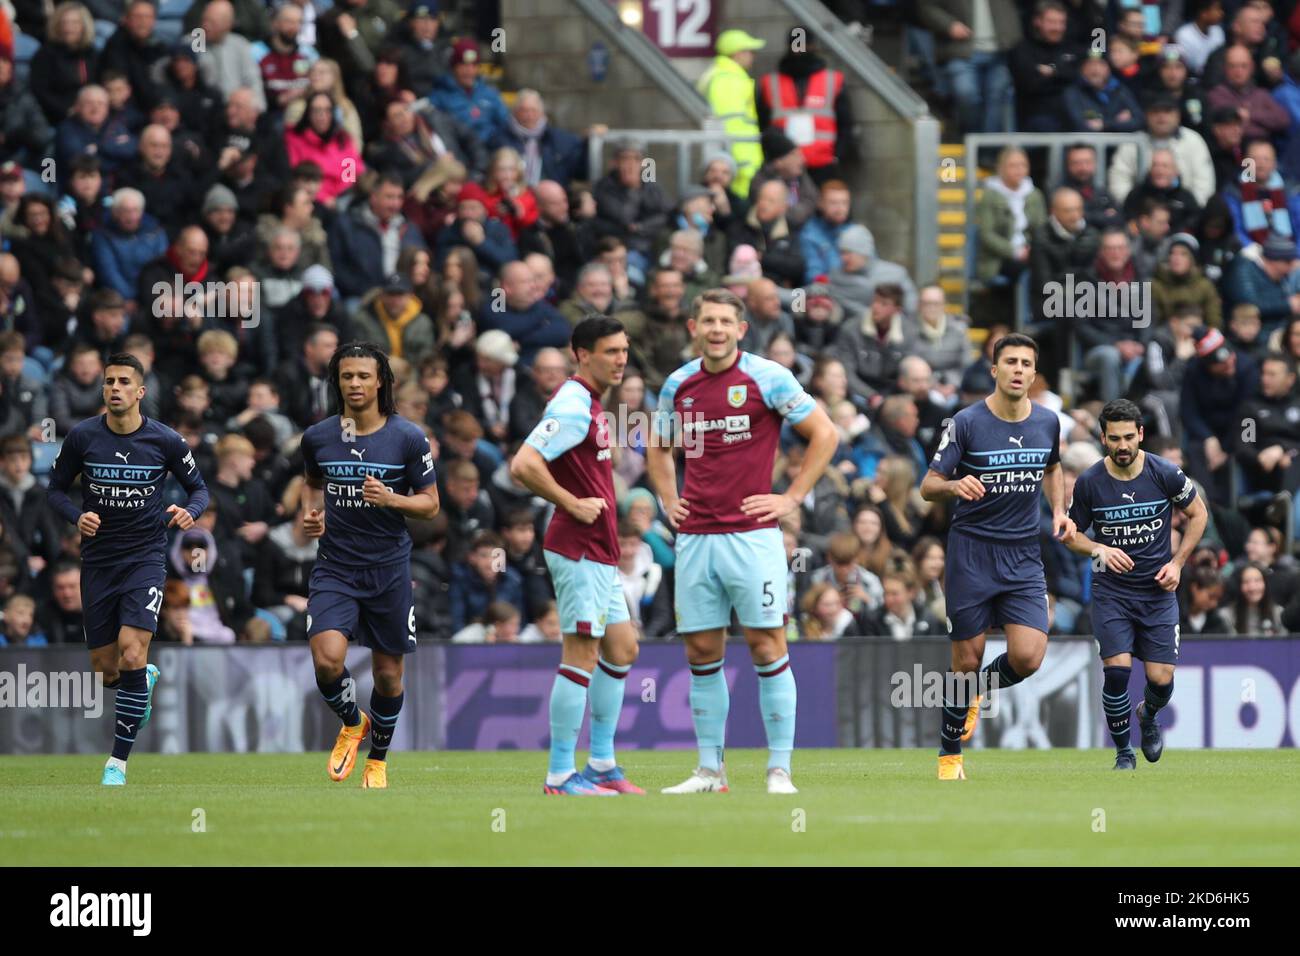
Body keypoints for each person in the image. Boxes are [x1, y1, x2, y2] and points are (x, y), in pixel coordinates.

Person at [647, 288, 838, 795]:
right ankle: (711, 771)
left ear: (740, 329)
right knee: (703, 650)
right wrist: (668, 498)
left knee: (766, 643)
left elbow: (825, 434)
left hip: (753, 537)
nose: (715, 329)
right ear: (694, 328)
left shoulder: (768, 377)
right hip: (696, 537)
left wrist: (792, 497)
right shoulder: (678, 385)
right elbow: (658, 445)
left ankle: (779, 769)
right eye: (707, 320)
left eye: (724, 321)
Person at [45, 352, 210, 785]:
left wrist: (190, 511)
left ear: (139, 392)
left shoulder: (167, 441)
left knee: (133, 651)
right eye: (109, 381)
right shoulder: (82, 438)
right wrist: (75, 516)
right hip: (98, 562)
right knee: (107, 669)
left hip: (145, 559)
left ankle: (117, 763)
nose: (114, 388)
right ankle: (143, 681)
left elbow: (200, 489)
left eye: (123, 382)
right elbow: (56, 491)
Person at [920, 333, 1073, 780]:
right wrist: (953, 486)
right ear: (995, 370)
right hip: (971, 553)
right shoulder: (965, 422)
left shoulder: (1047, 421)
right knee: (966, 659)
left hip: (1023, 555)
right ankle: (949, 756)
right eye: (1011, 362)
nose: (1019, 369)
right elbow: (928, 486)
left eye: (1027, 363)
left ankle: (976, 692)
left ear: (1034, 372)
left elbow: (1053, 465)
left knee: (1028, 657)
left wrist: (1060, 510)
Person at [509, 315, 643, 796]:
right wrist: (569, 502)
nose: (621, 360)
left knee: (623, 647)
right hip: (578, 548)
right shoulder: (572, 405)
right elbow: (523, 464)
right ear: (581, 354)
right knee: (582, 654)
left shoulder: (591, 404)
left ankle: (603, 763)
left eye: (624, 351)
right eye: (611, 351)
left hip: (601, 552)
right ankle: (560, 774)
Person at [300, 342, 440, 790]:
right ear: (336, 382)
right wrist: (312, 512)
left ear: (381, 381)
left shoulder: (408, 437)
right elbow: (311, 480)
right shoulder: (318, 436)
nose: (355, 384)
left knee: (388, 674)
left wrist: (391, 498)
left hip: (389, 569)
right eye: (346, 377)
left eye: (363, 376)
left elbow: (431, 505)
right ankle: (351, 721)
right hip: (336, 566)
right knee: (327, 661)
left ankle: (377, 761)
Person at [1064, 399, 1208, 770]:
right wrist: (1100, 549)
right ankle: (1123, 753)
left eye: (1129, 437)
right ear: (1103, 438)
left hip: (1157, 592)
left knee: (1161, 680)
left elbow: (1198, 513)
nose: (1123, 445)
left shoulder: (1165, 473)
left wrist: (1178, 563)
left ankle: (1148, 714)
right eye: (1115, 438)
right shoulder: (1090, 482)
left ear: (1141, 435)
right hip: (1112, 592)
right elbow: (1071, 535)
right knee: (1117, 671)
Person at [696, 29, 765, 197]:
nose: (752, 56)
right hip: (740, 166)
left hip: (734, 162)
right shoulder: (729, 79)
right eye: (749, 51)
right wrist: (745, 164)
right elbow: (733, 123)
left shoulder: (723, 75)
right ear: (737, 54)